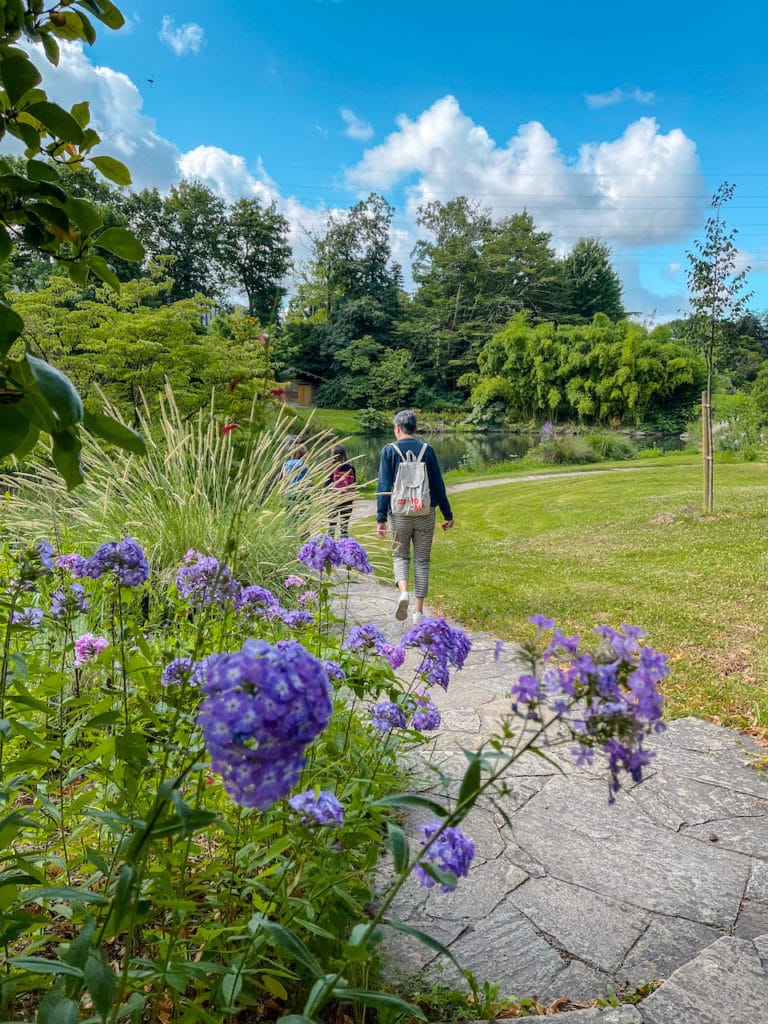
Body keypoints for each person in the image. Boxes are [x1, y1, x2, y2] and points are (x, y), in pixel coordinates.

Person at [376, 410, 453, 624]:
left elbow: (383, 485)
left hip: (399, 513)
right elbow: (437, 485)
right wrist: (447, 514)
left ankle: (403, 592)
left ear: (397, 428)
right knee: (422, 560)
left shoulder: (388, 451)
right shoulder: (427, 450)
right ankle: (418, 612)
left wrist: (380, 518)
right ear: (416, 429)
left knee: (400, 555)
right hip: (425, 511)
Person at [324, 444, 356, 538]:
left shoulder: (330, 469)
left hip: (333, 500)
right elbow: (354, 484)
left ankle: (330, 550)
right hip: (347, 500)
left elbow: (326, 486)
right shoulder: (351, 468)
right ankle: (344, 549)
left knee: (331, 527)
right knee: (344, 528)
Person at [282, 443, 309, 517]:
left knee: (290, 516)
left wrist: (282, 493)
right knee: (303, 516)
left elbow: (285, 480)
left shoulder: (286, 464)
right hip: (303, 493)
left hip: (290, 492)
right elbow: (309, 479)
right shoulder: (304, 464)